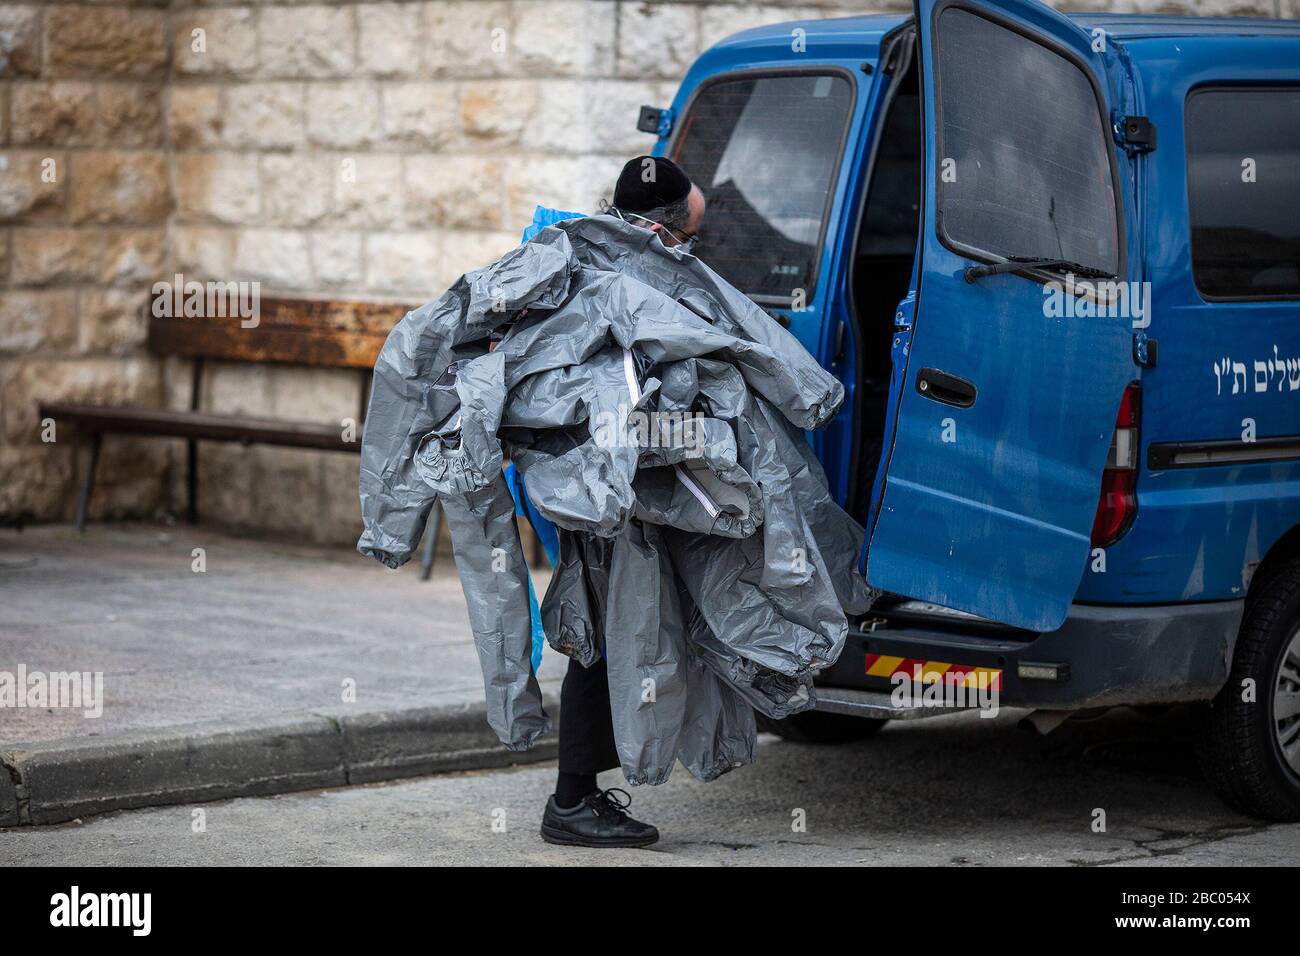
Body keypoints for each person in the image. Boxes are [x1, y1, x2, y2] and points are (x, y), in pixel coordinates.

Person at [539, 155, 707, 850]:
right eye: (692, 237)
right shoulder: (629, 285)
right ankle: (571, 802)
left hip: (587, 483)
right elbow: (628, 402)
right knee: (600, 638)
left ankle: (579, 795)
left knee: (604, 633)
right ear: (664, 233)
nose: (694, 250)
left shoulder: (585, 258)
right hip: (603, 490)